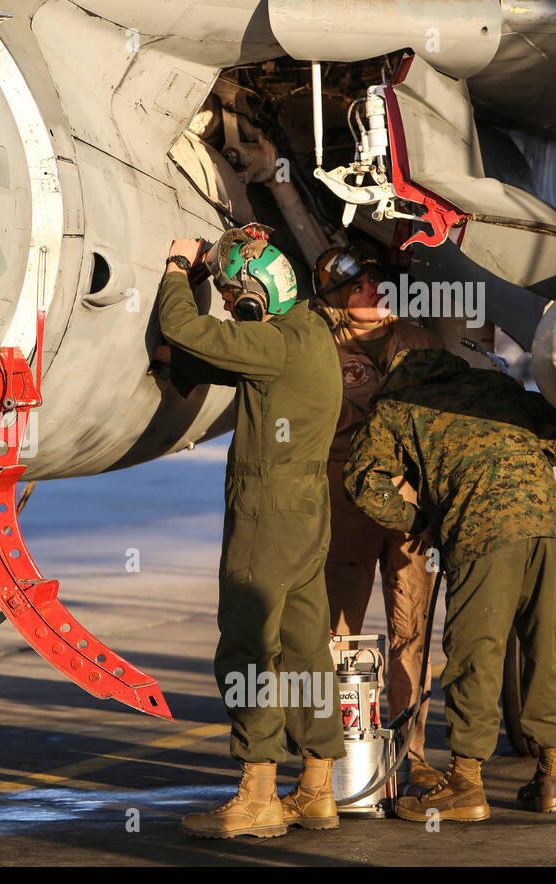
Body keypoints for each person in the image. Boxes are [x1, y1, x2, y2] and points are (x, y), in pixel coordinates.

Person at [156, 224, 345, 839]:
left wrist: (176, 272)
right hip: (308, 508)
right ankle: (317, 789)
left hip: (266, 508)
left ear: (250, 298)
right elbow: (240, 365)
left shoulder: (270, 344)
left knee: (247, 646)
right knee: (305, 646)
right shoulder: (311, 332)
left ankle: (257, 793)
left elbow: (185, 328)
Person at [343, 348, 556, 821]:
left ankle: (466, 785)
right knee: (550, 648)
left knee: (477, 652)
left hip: (482, 531)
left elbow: (362, 480)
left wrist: (416, 518)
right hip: (548, 525)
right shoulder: (496, 389)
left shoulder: (396, 406)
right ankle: (551, 778)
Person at [310, 247, 445, 788]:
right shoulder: (317, 345)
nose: (374, 290)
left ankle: (411, 754)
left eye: (379, 281)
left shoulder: (419, 342)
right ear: (340, 297)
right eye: (361, 284)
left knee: (409, 633)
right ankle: (329, 760)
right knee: (335, 633)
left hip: (410, 501)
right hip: (344, 495)